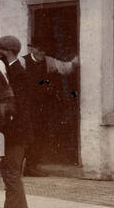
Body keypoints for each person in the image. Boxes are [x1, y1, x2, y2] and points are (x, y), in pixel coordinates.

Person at [20, 39, 79, 176]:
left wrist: (75, 62)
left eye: (44, 50)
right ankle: (18, 165)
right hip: (26, 105)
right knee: (25, 136)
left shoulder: (48, 61)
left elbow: (64, 68)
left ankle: (32, 167)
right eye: (39, 49)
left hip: (41, 106)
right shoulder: (22, 62)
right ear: (32, 49)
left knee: (39, 134)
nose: (42, 52)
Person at [0, 35, 35, 208]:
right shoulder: (3, 73)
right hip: (1, 133)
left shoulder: (19, 74)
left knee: (11, 175)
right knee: (8, 174)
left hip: (15, 134)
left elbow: (20, 107)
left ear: (8, 52)